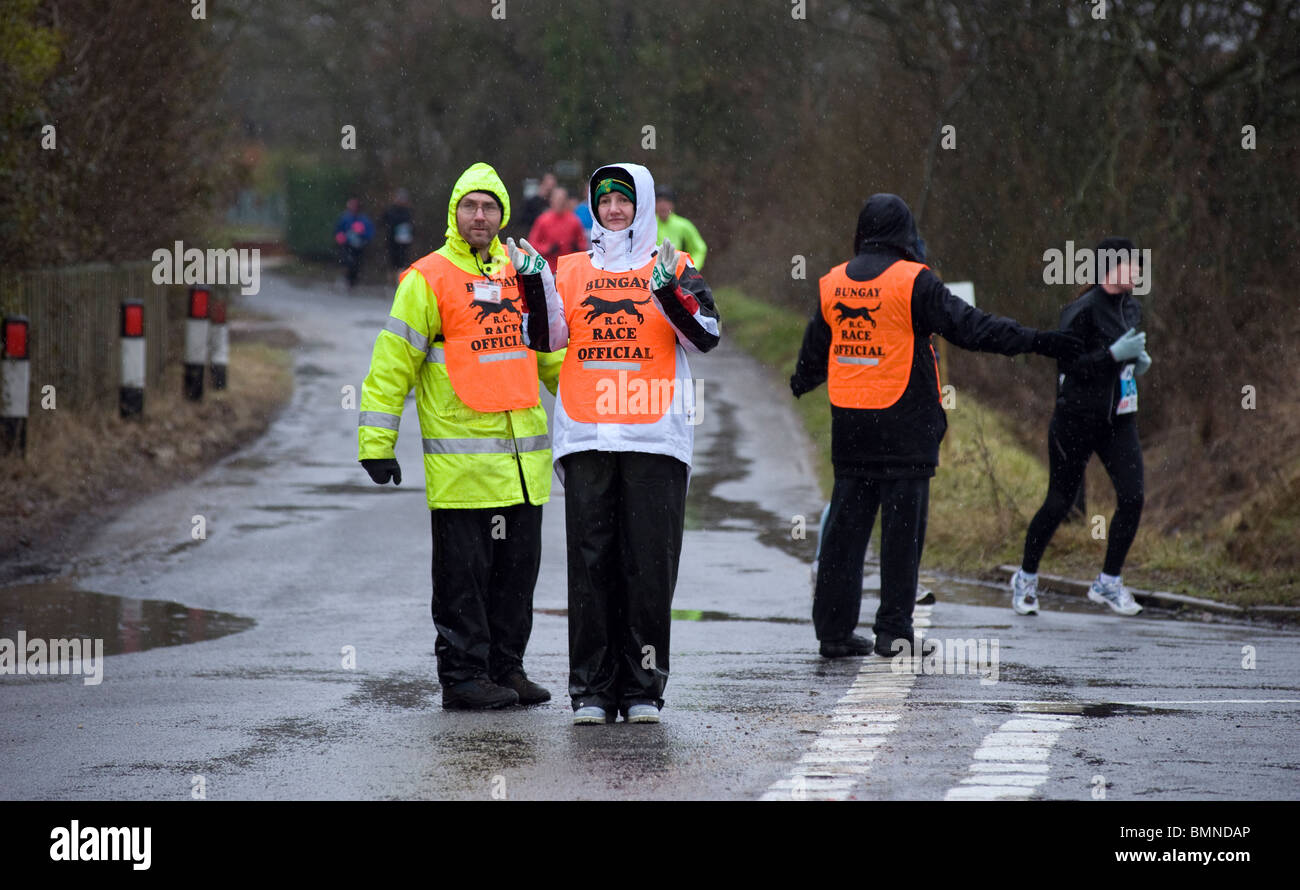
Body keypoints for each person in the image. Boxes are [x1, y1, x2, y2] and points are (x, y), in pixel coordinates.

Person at [790, 193, 1084, 659]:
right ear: (904, 232)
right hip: (906, 427)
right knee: (901, 535)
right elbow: (974, 328)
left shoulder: (834, 282)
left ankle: (834, 632)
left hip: (851, 427)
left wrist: (800, 380)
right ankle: (893, 631)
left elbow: (815, 349)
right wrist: (1041, 341)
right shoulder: (914, 282)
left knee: (845, 534)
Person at [512, 163, 721, 725]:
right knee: (591, 564)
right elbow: (543, 337)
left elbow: (706, 337)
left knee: (648, 566)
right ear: (593, 207)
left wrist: (668, 294)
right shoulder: (572, 269)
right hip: (587, 435)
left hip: (656, 438)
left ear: (643, 204)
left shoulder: (673, 263)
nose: (613, 210)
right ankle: (593, 690)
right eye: (604, 200)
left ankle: (644, 687)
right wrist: (534, 282)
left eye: (624, 200)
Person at [357, 162, 564, 710]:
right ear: (455, 213)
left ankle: (506, 669)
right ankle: (463, 677)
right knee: (462, 584)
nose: (480, 215)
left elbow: (550, 357)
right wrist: (377, 443)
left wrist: (598, 413)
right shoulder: (427, 278)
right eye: (470, 206)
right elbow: (392, 363)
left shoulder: (519, 274)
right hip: (463, 474)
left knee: (516, 582)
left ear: (503, 215)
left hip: (524, 470)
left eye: (489, 206)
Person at [1010, 237, 1150, 617]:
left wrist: (1135, 363)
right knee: (1059, 503)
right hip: (1076, 419)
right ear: (1110, 269)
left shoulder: (1131, 307)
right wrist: (1111, 357)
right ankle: (1025, 578)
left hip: (1119, 419)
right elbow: (1069, 366)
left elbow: (1123, 356)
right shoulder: (1081, 311)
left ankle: (1108, 582)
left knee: (1133, 496)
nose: (1139, 271)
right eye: (1133, 265)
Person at [526, 186, 587, 272]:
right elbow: (532, 245)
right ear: (551, 200)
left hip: (569, 269)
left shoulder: (574, 220)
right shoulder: (542, 220)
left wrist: (577, 248)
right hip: (548, 270)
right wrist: (548, 249)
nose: (560, 202)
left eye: (562, 199)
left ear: (566, 201)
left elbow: (583, 243)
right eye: (558, 199)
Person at [654, 185, 708, 269]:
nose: (663, 205)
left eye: (667, 201)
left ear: (672, 204)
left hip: (677, 274)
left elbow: (699, 249)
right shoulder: (648, 225)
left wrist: (691, 268)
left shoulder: (683, 225)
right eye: (659, 201)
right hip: (651, 274)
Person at [334, 198, 374, 288]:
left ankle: (353, 282)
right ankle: (346, 279)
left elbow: (369, 232)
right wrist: (340, 236)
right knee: (347, 261)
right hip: (347, 245)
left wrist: (363, 234)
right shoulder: (345, 217)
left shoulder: (364, 219)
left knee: (356, 264)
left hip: (359, 246)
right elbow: (338, 230)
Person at [381, 189, 415, 282]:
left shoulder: (409, 211)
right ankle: (390, 282)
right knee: (392, 262)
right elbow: (383, 222)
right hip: (392, 241)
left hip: (404, 243)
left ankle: (398, 281)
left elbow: (412, 226)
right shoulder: (390, 210)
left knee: (402, 263)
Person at [519, 171, 556, 236]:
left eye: (552, 186)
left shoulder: (555, 202)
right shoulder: (532, 201)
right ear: (542, 184)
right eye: (548, 186)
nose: (550, 189)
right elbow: (523, 219)